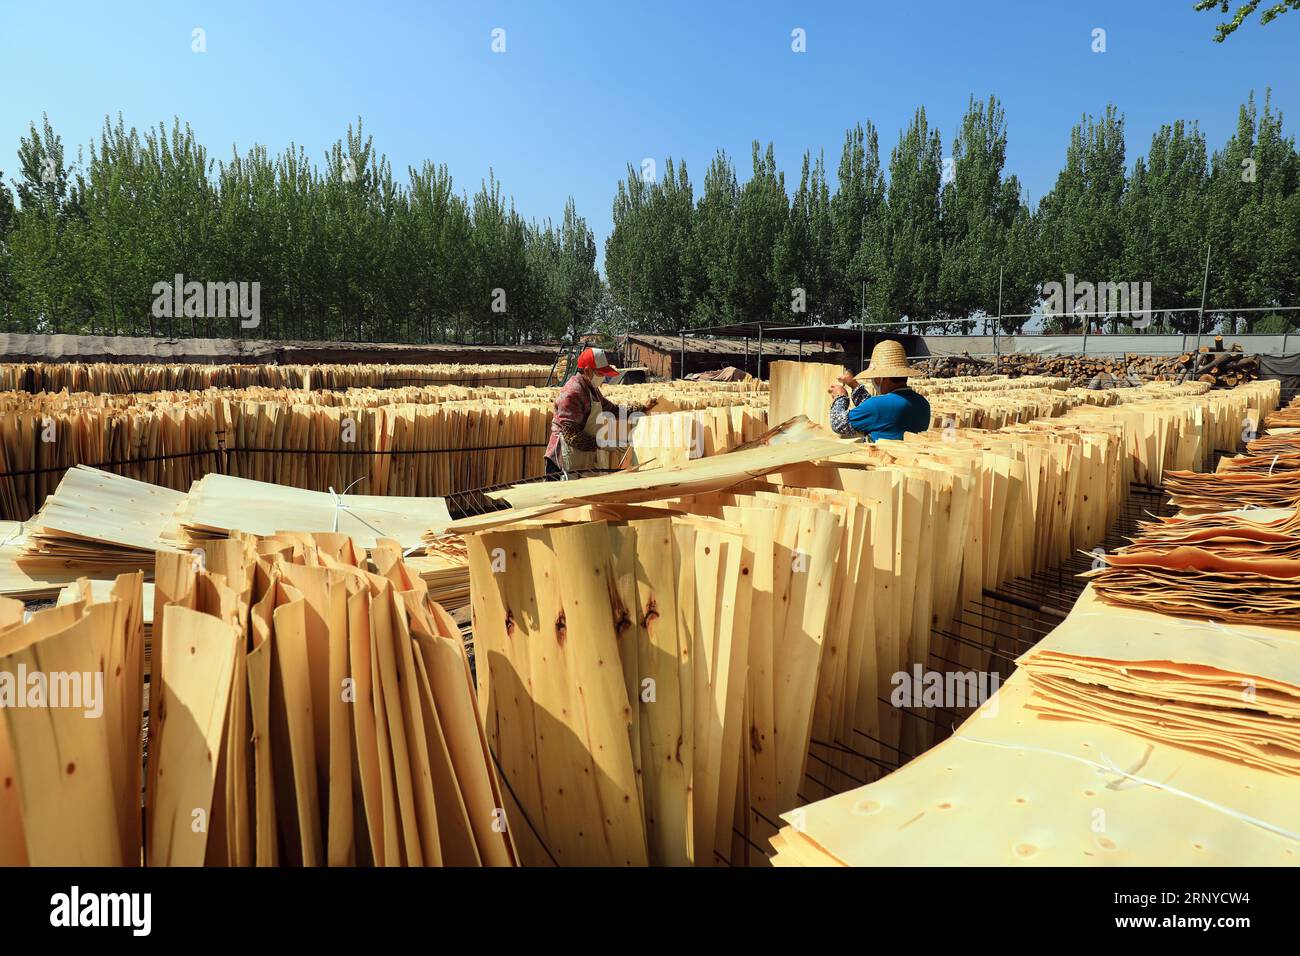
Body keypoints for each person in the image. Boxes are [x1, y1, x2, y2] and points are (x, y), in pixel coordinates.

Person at [545, 347, 657, 478]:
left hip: (581, 454)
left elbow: (613, 409)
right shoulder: (572, 393)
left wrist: (642, 408)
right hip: (563, 458)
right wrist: (603, 444)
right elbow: (571, 435)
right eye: (600, 373)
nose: (603, 378)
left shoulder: (591, 389)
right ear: (587, 370)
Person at [827, 339, 931, 441]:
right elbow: (876, 412)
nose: (874, 381)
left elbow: (838, 424)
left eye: (875, 377)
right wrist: (854, 386)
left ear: (882, 378)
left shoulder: (878, 406)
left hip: (881, 456)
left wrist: (840, 397)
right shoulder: (923, 403)